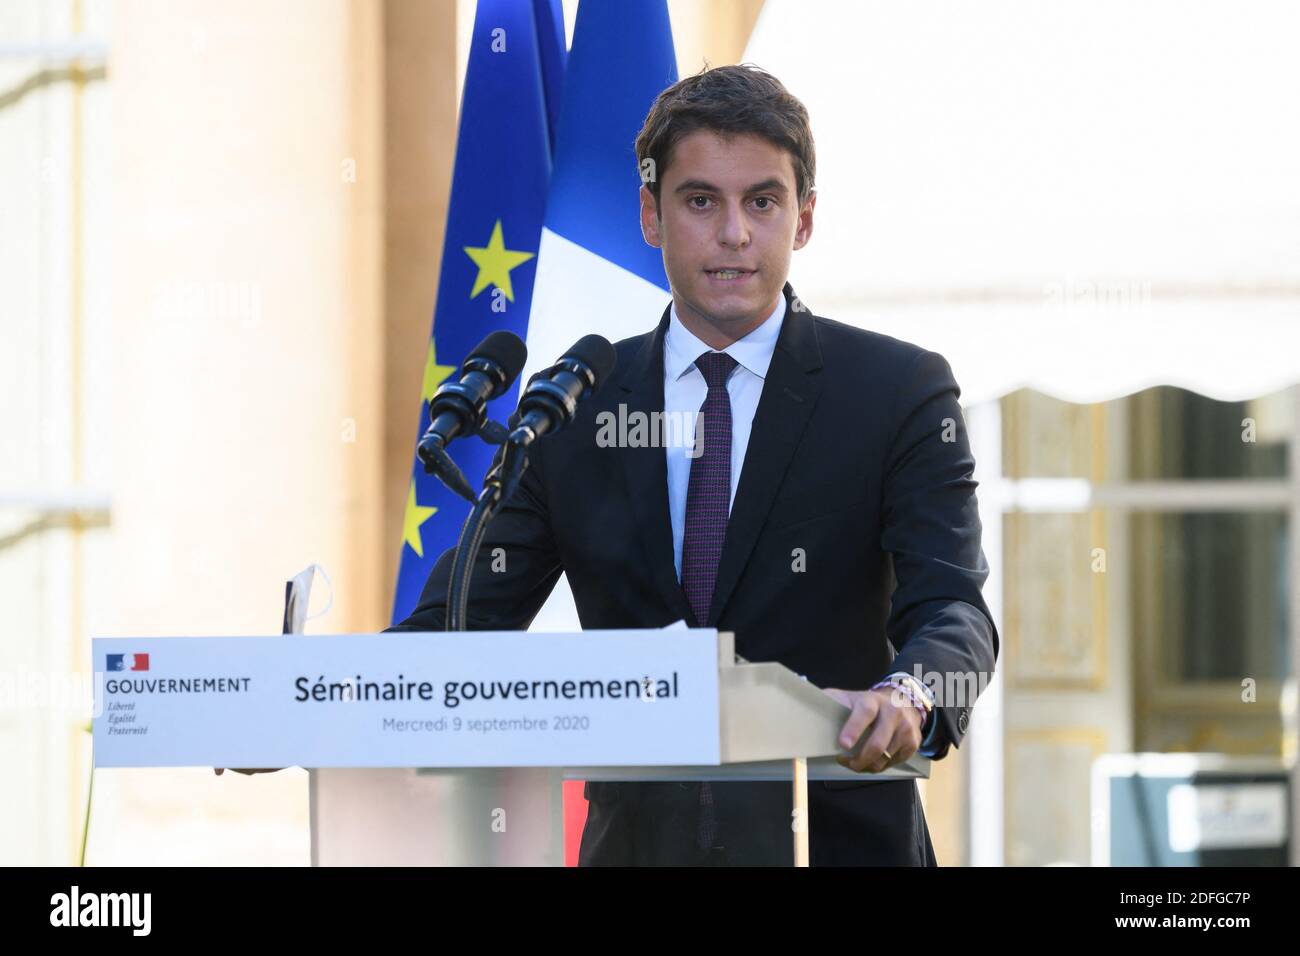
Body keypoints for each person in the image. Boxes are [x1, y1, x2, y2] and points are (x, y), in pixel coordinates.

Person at [387, 64, 999, 866]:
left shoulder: (896, 392)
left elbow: (953, 609)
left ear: (803, 220)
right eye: (701, 200)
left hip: (841, 845)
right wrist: (297, 704)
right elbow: (456, 627)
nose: (734, 233)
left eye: (763, 202)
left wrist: (911, 693)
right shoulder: (572, 407)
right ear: (651, 213)